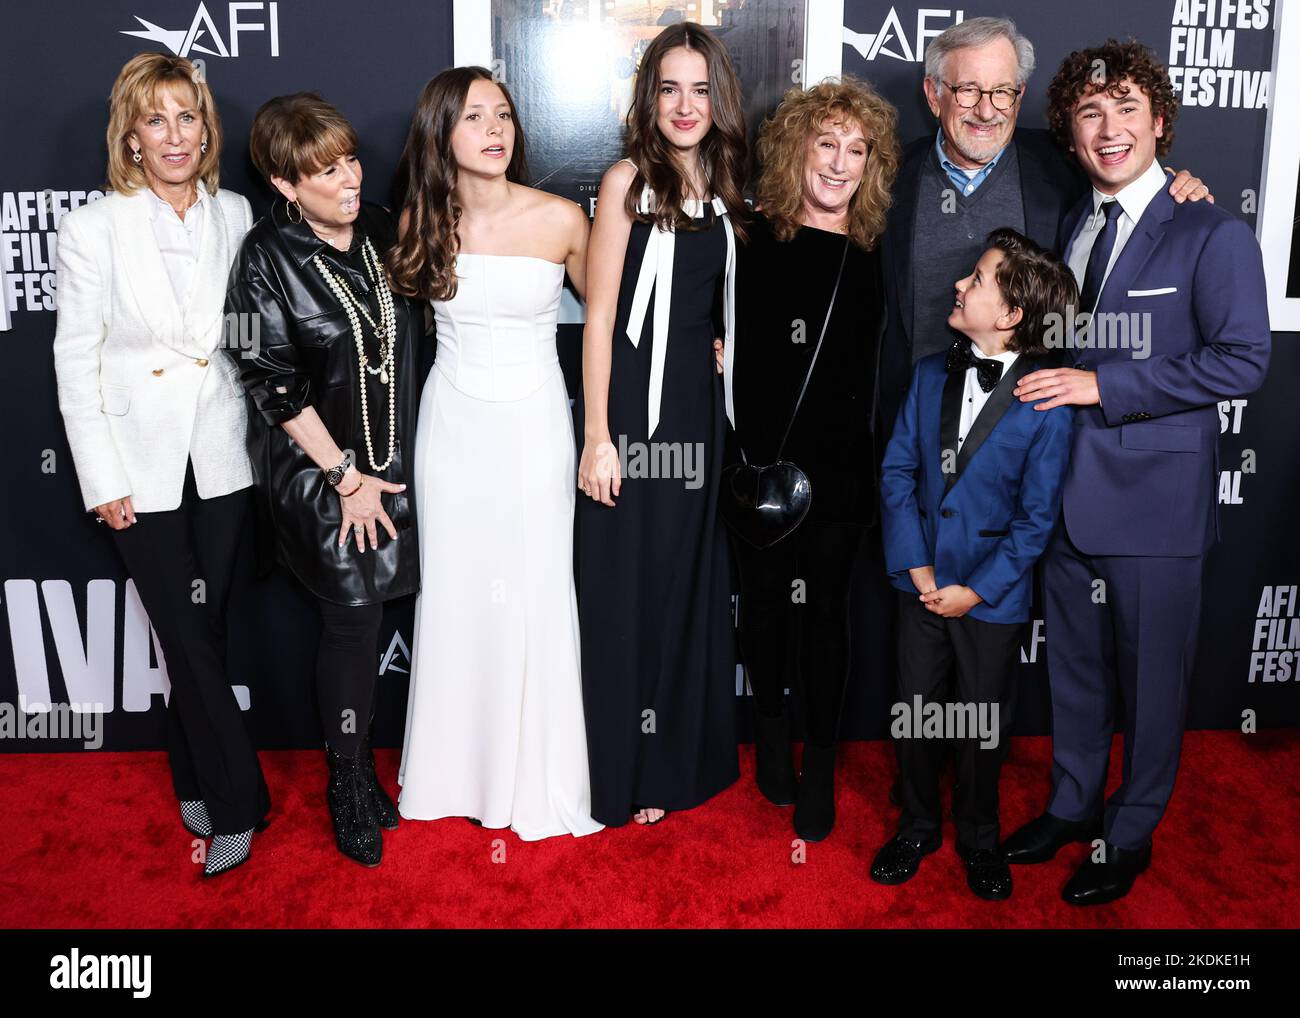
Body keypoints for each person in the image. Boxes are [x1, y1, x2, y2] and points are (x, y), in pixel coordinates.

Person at [1001, 40, 1271, 905]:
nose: (1108, 129)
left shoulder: (1212, 231)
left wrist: (1104, 383)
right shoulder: (1071, 228)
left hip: (1155, 505)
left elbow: (1242, 362)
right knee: (1075, 673)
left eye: (1126, 109)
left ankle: (1129, 830)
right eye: (1089, 113)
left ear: (1160, 122)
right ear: (1070, 135)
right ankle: (1075, 806)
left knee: (1153, 682)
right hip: (1065, 499)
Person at [52, 52, 265, 878]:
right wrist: (101, 478)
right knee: (183, 627)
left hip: (221, 457)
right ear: (131, 137)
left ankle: (192, 775)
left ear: (205, 129)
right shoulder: (93, 227)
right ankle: (242, 803)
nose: (175, 135)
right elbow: (76, 360)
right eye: (156, 120)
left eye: (188, 117)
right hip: (137, 464)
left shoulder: (237, 214)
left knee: (201, 634)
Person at [389, 67, 602, 841]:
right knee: (452, 595)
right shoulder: (418, 223)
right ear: (442, 131)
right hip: (451, 432)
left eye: (504, 114)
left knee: (537, 588)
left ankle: (533, 774)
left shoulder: (561, 220)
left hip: (537, 428)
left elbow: (609, 327)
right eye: (475, 116)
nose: (496, 129)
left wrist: (705, 345)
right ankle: (454, 771)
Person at [224, 92, 422, 867]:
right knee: (352, 622)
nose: (346, 179)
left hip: (396, 461)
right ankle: (347, 780)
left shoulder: (380, 225)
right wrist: (345, 477)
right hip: (320, 472)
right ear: (282, 183)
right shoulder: (263, 259)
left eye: (349, 161)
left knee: (372, 621)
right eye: (322, 171)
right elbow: (267, 378)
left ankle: (364, 768)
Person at [878, 16, 1212, 435]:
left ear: (1019, 97)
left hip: (1029, 434)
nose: (986, 110)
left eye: (1002, 92)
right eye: (967, 90)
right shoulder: (885, 177)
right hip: (909, 429)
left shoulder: (1064, 169)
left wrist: (1175, 185)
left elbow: (1124, 164)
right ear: (934, 94)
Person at [869, 229, 1077, 900]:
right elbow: (898, 470)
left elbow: (1035, 519)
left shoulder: (1044, 403)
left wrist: (976, 590)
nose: (960, 285)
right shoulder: (930, 372)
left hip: (991, 597)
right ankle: (919, 825)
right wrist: (919, 567)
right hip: (922, 586)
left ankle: (979, 838)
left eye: (978, 279)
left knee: (983, 725)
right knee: (916, 712)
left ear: (1013, 315)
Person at [576, 22, 748, 827]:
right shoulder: (625, 183)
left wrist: (723, 349)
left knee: (685, 584)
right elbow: (600, 316)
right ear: (650, 95)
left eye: (701, 89)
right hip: (632, 418)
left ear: (720, 98)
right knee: (627, 589)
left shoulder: (728, 186)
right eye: (670, 88)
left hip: (696, 414)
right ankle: (625, 766)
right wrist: (597, 438)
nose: (686, 105)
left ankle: (674, 764)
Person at [722, 77, 898, 841]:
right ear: (797, 149)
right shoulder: (747, 242)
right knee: (762, 606)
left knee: (828, 615)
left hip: (841, 466)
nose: (839, 162)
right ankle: (769, 732)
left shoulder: (874, 256)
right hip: (763, 458)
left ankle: (821, 761)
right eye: (826, 143)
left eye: (856, 149)